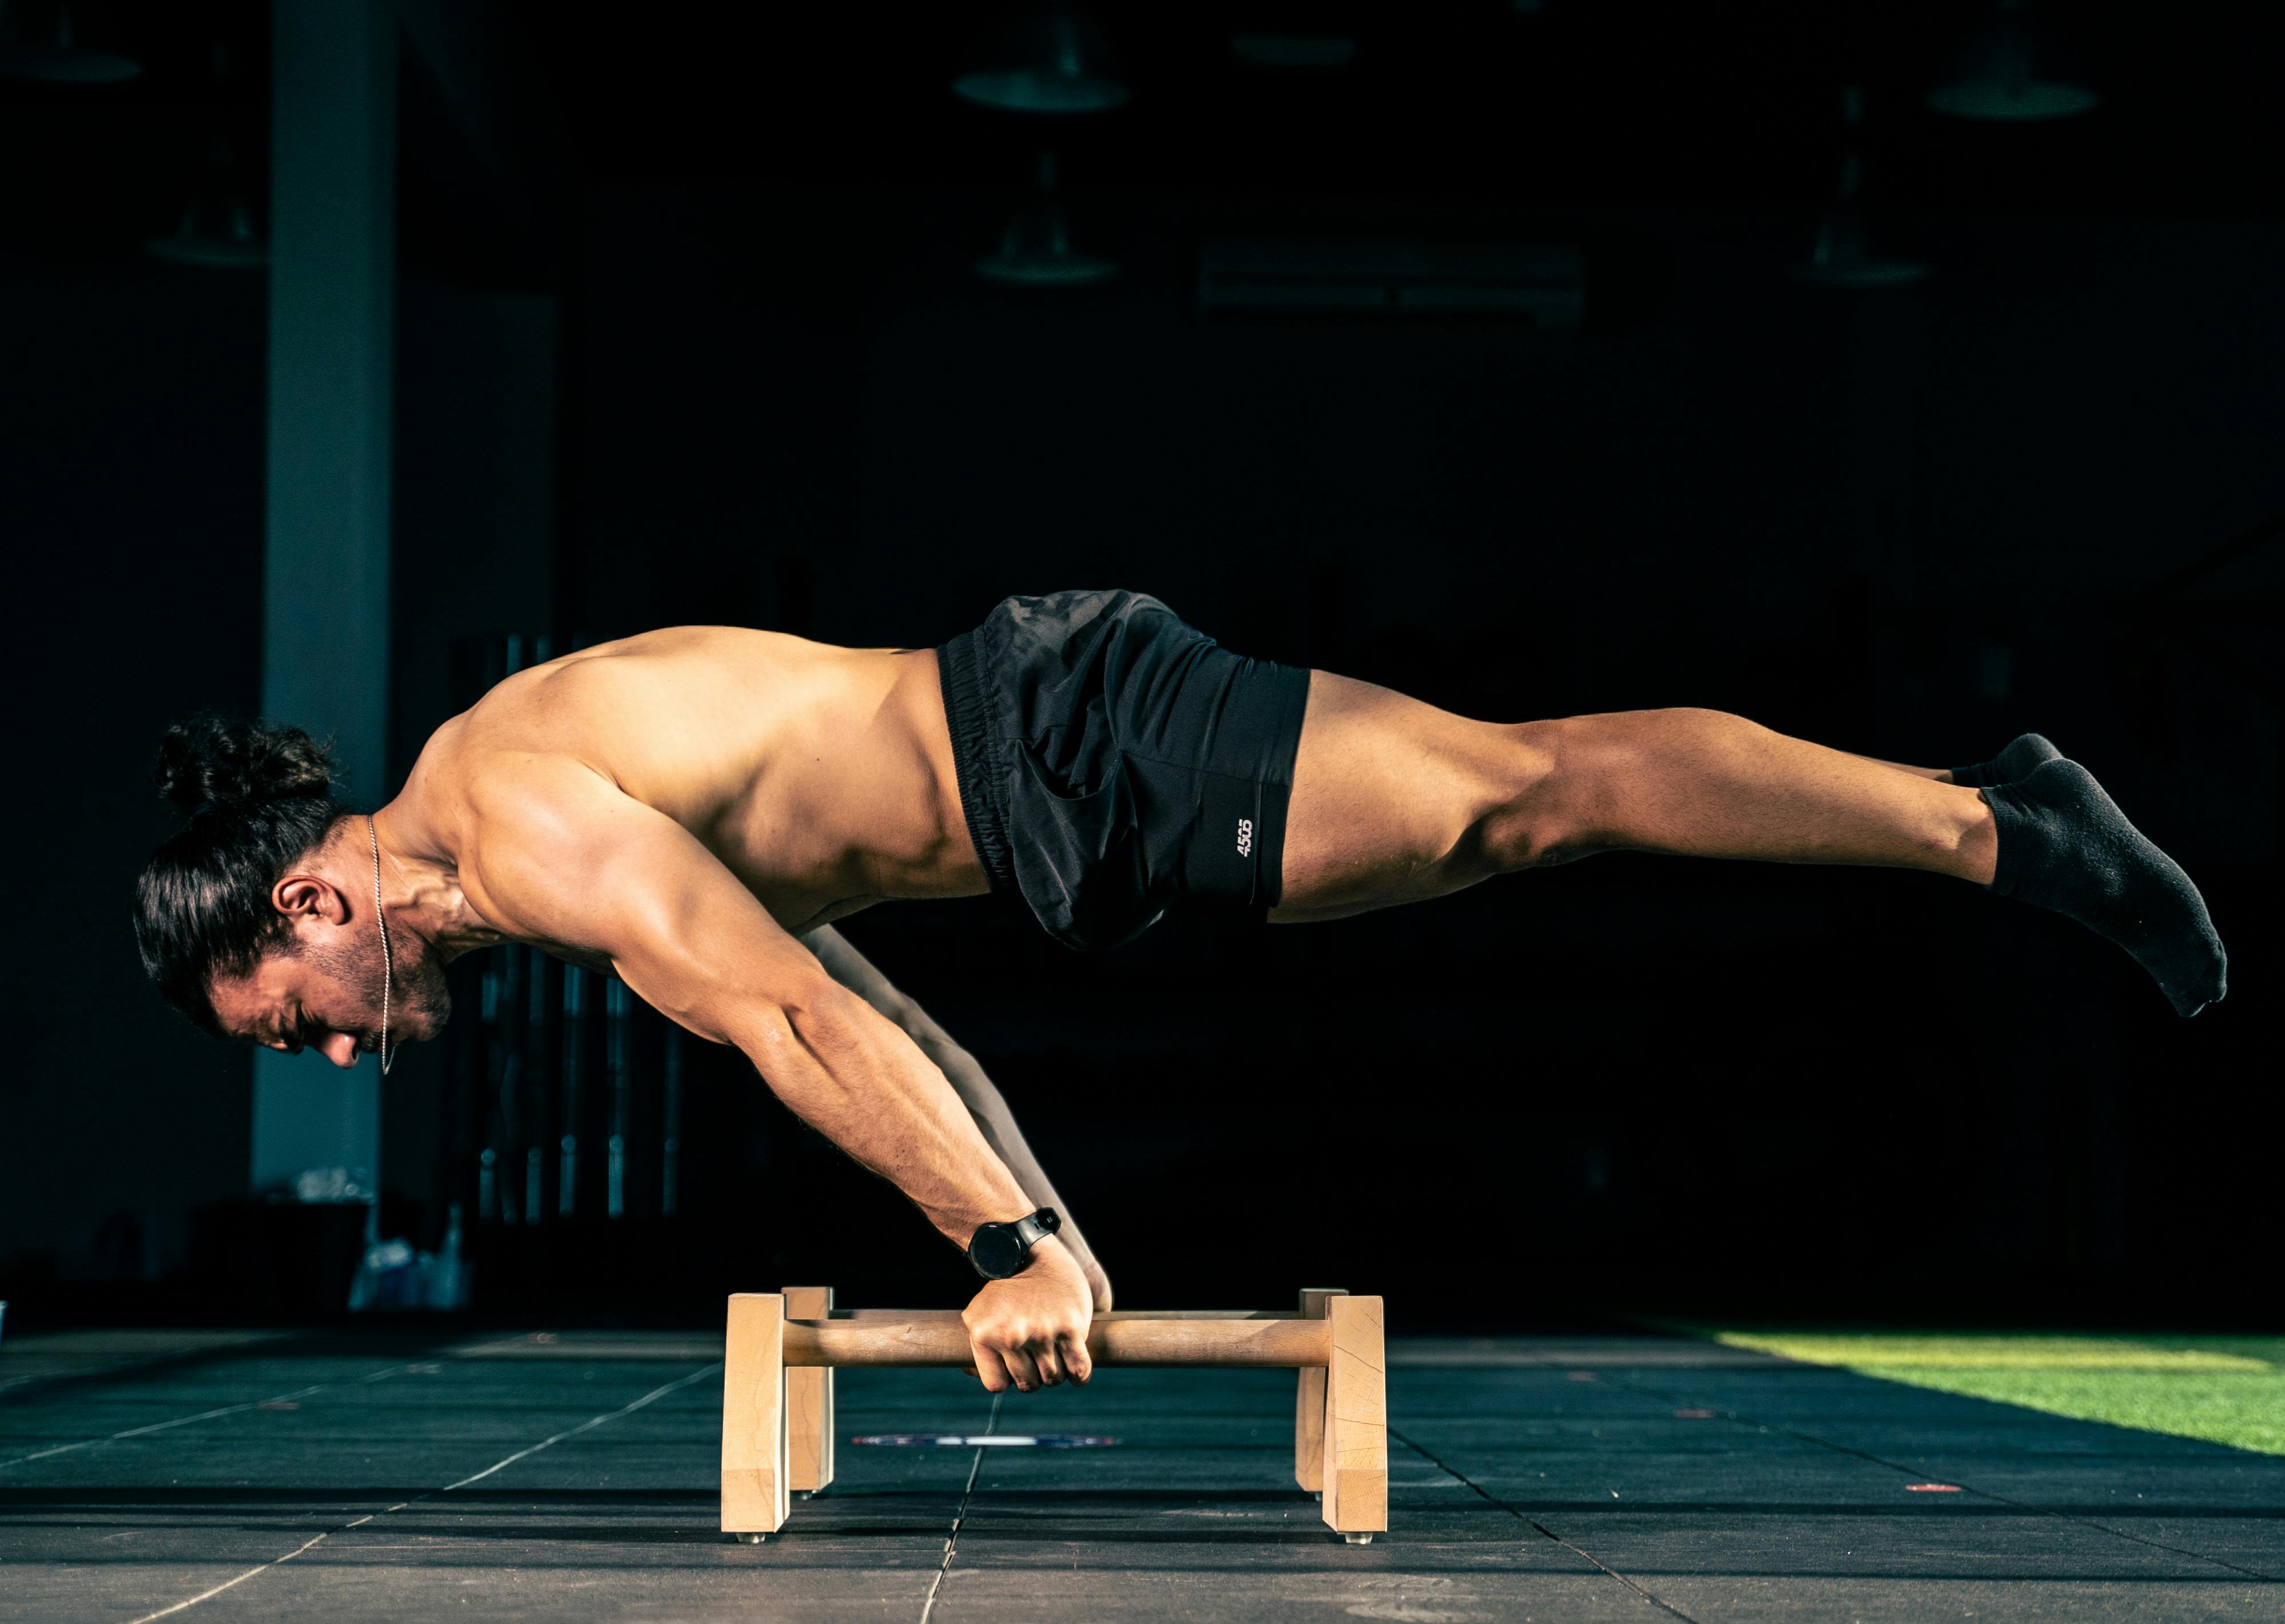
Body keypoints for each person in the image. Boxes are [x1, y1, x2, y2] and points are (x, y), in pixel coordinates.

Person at [136, 589, 2226, 1391]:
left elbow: (783, 1021)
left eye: (299, 1015)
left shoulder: (513, 822)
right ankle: (1987, 820)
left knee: (1526, 795)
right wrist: (1061, 1242)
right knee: (1526, 800)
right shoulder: (521, 826)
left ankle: (1997, 824)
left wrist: (1009, 1243)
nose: (335, 1054)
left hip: (1071, 742)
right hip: (1063, 780)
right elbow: (891, 1016)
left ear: (316, 896)